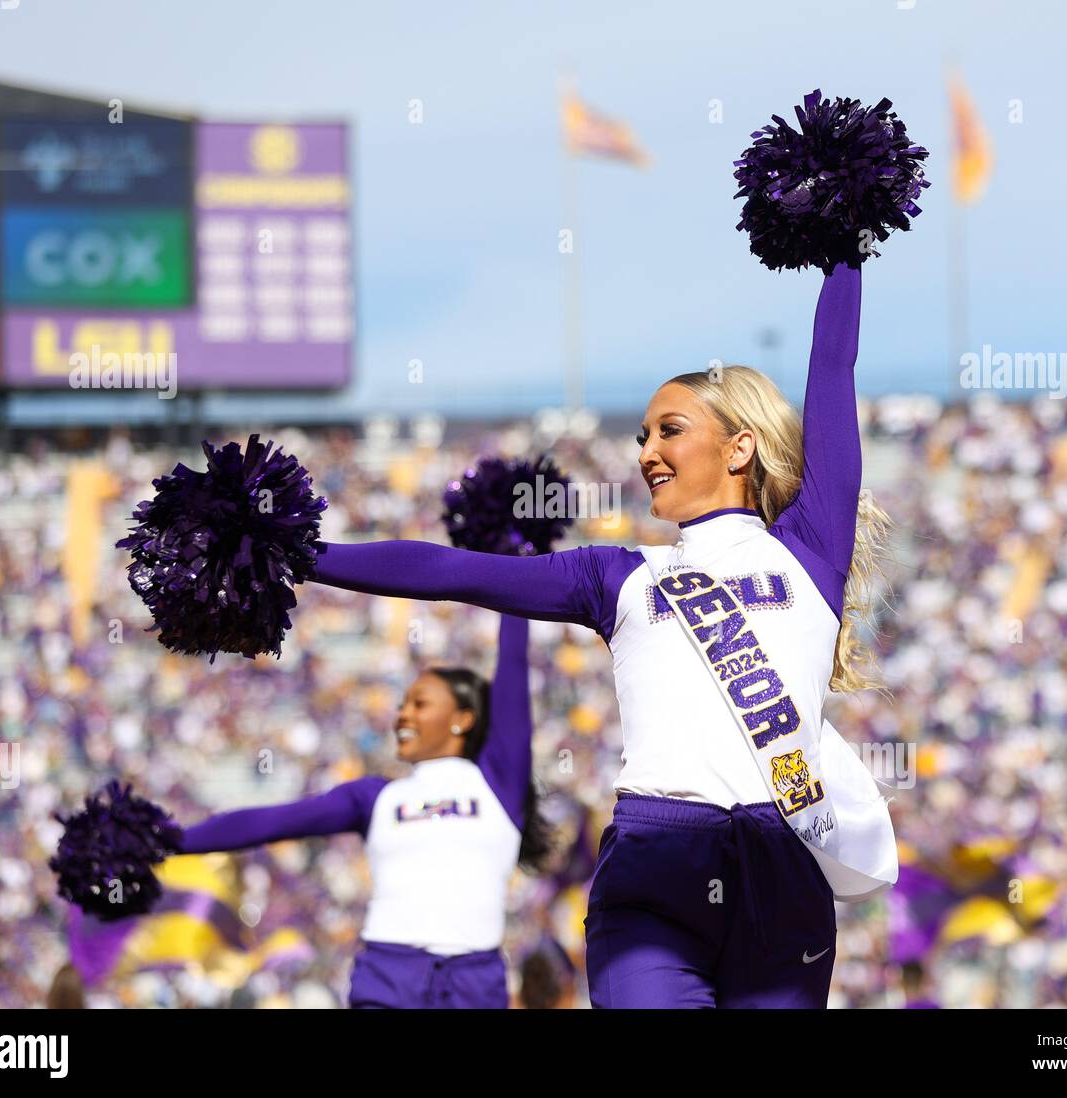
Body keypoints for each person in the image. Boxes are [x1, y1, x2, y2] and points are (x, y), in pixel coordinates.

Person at [304, 262, 893, 1007]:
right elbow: (451, 571)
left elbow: (833, 363)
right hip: (656, 862)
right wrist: (300, 553)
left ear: (739, 447)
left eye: (669, 431)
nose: (645, 451)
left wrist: (844, 233)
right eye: (644, 435)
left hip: (782, 873)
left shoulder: (812, 548)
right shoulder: (617, 576)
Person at [176, 612, 546, 1008]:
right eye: (402, 705)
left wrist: (515, 561)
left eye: (420, 704)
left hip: (474, 982)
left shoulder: (500, 782)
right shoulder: (375, 798)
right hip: (388, 976)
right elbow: (270, 822)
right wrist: (168, 840)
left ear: (462, 720)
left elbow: (513, 662)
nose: (402, 715)